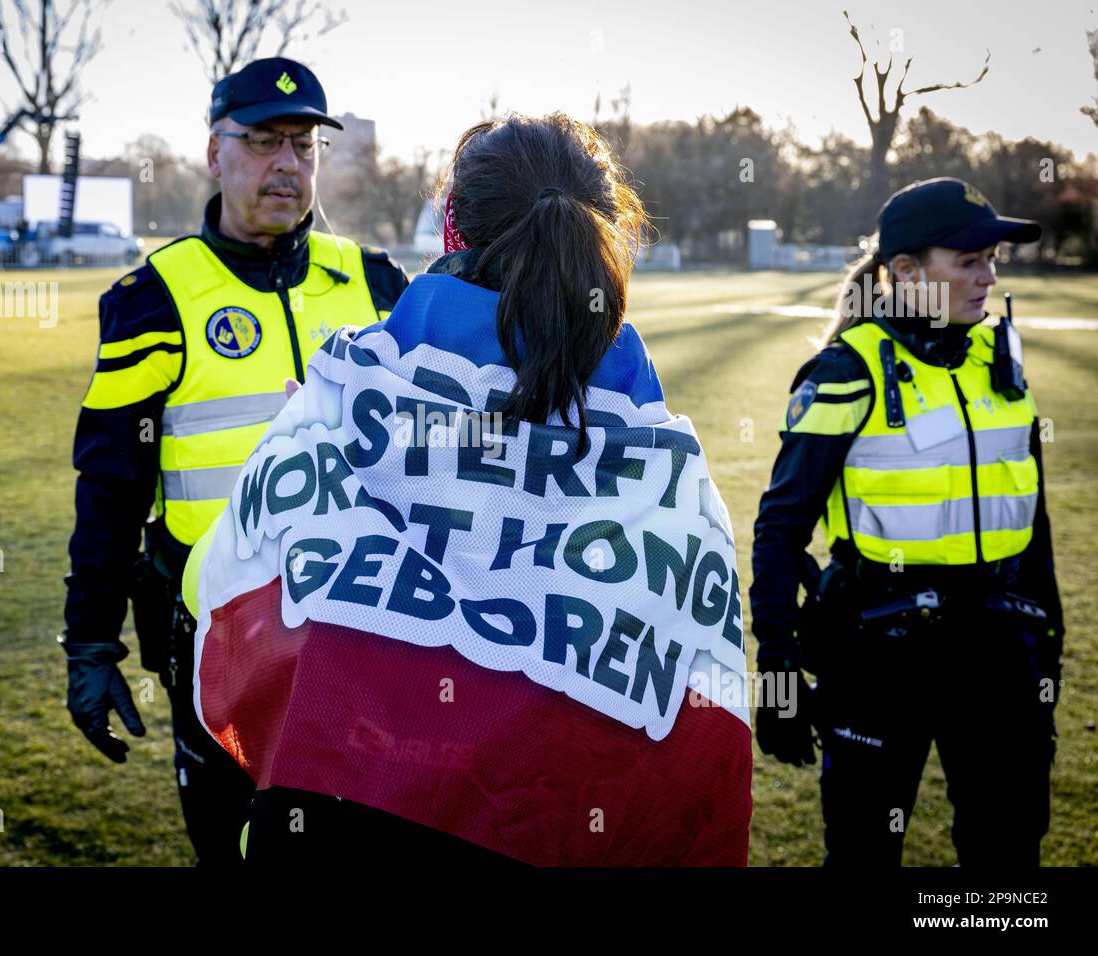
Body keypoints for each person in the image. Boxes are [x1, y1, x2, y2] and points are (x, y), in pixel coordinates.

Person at [181, 113, 753, 865]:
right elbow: (692, 701)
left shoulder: (349, 382)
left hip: (342, 822)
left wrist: (306, 468)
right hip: (551, 830)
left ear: (452, 226)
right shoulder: (664, 455)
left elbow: (217, 595)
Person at [59, 56, 409, 865]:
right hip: (217, 641)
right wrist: (90, 643)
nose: (287, 163)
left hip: (358, 634)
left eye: (305, 144)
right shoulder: (154, 296)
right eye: (262, 141)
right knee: (230, 849)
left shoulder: (381, 286)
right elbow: (110, 489)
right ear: (215, 152)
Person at [750, 177, 1065, 866]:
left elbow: (1033, 524)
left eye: (993, 262)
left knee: (1008, 856)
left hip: (1001, 654)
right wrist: (776, 675)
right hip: (878, 658)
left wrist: (1049, 648)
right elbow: (781, 527)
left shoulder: (1000, 362)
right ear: (903, 271)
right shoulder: (844, 370)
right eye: (968, 261)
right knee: (864, 853)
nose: (987, 277)